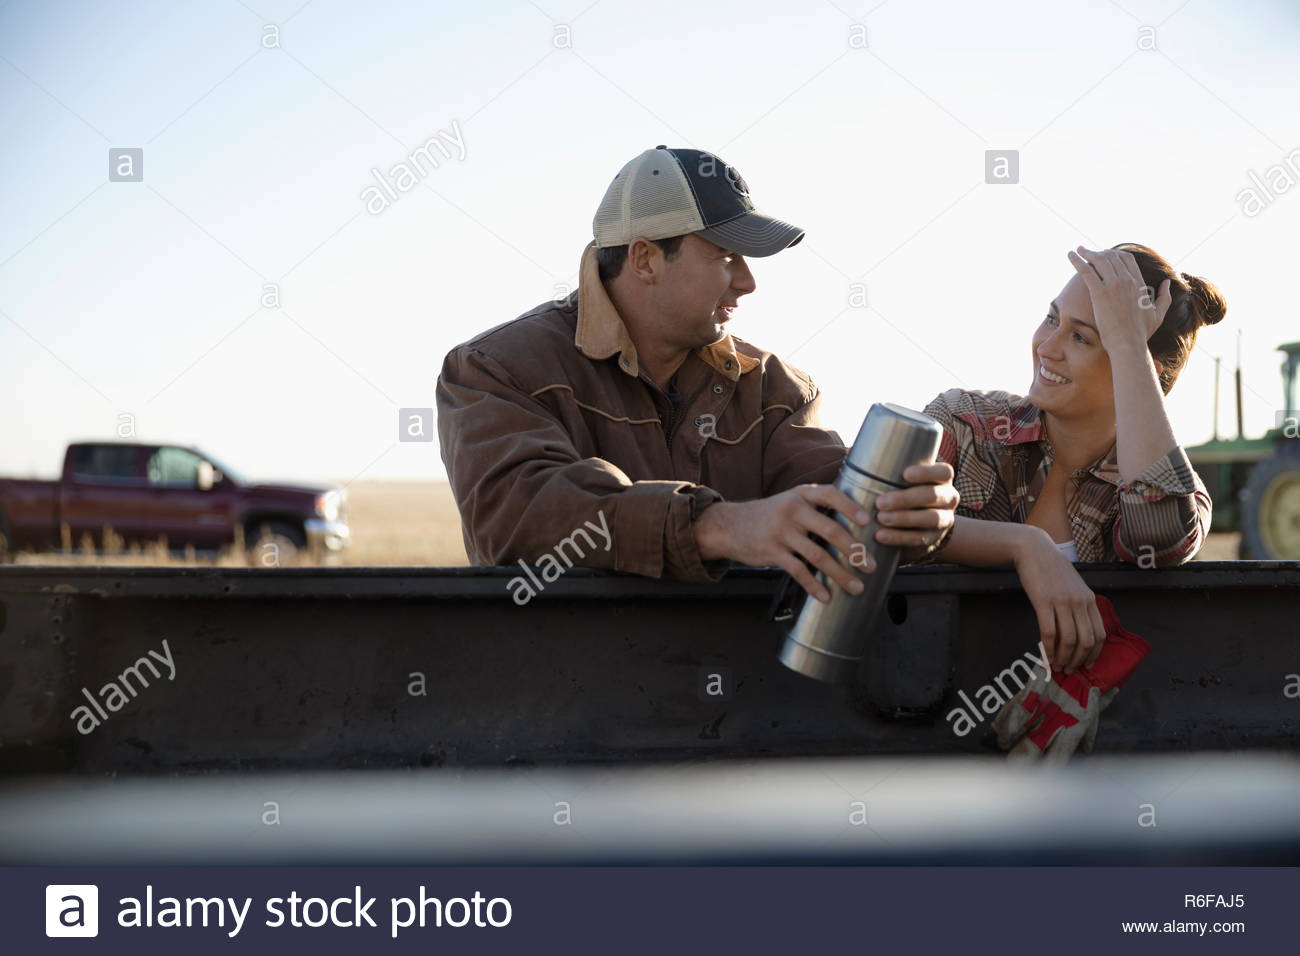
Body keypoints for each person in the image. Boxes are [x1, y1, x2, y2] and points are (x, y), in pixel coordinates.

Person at [436, 146, 959, 602]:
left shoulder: (775, 389)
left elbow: (836, 509)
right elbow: (522, 514)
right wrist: (720, 527)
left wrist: (904, 517)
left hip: (743, 700)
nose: (748, 282)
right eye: (727, 256)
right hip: (563, 696)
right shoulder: (495, 369)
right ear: (645, 259)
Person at [921, 243, 1223, 674]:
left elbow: (1159, 535)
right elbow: (868, 521)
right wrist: (1025, 547)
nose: (1048, 347)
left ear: (1139, 364)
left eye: (1081, 336)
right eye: (1051, 319)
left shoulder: (1180, 490)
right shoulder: (962, 423)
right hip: (922, 706)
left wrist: (1128, 346)